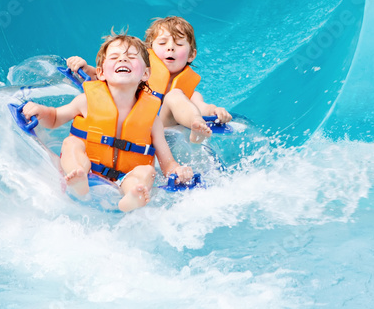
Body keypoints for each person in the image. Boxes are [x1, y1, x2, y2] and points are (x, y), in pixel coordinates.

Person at [22, 33, 193, 212]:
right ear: (101, 72)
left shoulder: (152, 120)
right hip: (88, 171)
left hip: (123, 180)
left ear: (145, 73)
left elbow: (167, 163)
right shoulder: (85, 101)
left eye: (131, 57)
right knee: (71, 143)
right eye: (114, 57)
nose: (123, 60)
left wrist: (178, 171)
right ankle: (78, 177)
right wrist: (41, 111)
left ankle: (132, 196)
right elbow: (55, 118)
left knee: (147, 172)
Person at [67, 16, 231, 142]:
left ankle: (196, 125)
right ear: (149, 50)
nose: (170, 48)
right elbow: (106, 77)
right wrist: (83, 67)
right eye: (162, 43)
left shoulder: (189, 94)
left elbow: (202, 107)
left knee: (175, 95)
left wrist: (215, 111)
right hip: (134, 131)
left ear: (191, 55)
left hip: (164, 136)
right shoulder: (139, 74)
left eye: (179, 44)